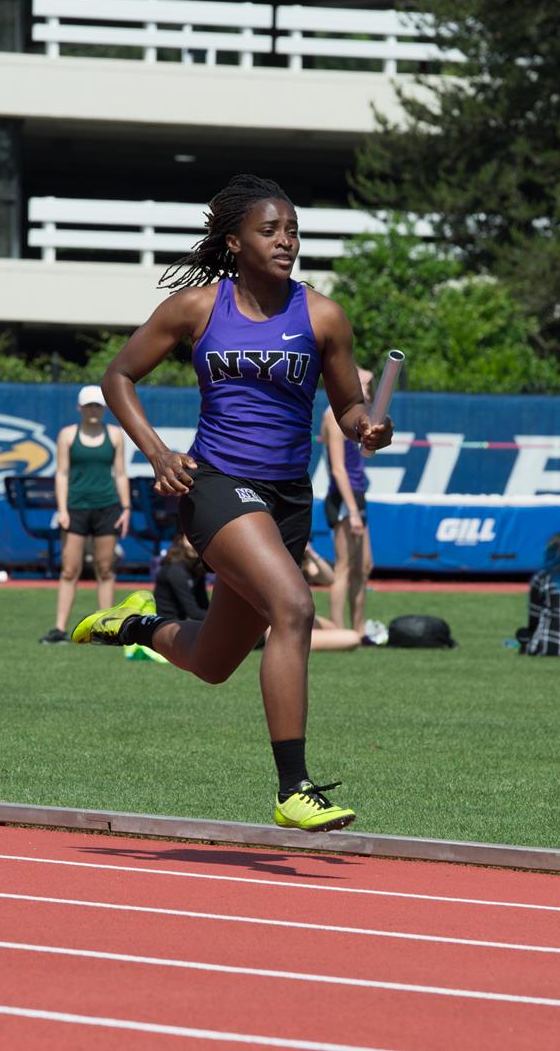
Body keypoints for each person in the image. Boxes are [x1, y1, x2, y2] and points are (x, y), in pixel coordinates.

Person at [74, 174, 392, 832]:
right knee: (295, 606)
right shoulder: (197, 309)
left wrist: (365, 425)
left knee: (214, 663)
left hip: (287, 498)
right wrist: (157, 453)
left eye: (293, 230)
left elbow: (348, 404)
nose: (286, 241)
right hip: (216, 484)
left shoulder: (322, 315)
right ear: (234, 241)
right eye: (270, 230)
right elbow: (118, 375)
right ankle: (294, 786)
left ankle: (133, 624)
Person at [154, 534, 363, 652]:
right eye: (188, 539)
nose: (193, 544)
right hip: (264, 629)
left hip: (277, 621)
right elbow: (193, 611)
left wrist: (311, 552)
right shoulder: (175, 572)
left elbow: (329, 578)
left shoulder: (194, 570)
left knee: (332, 627)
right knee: (352, 638)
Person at [40, 385, 132, 643]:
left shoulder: (114, 435)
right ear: (79, 408)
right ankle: (59, 629)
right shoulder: (67, 435)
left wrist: (125, 508)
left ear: (104, 409)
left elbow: (121, 473)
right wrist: (62, 509)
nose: (93, 410)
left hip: (107, 508)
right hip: (76, 508)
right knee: (70, 570)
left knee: (105, 568)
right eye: (89, 405)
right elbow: (62, 473)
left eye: (98, 406)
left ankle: (105, 628)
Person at [322, 366, 375, 636]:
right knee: (343, 568)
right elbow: (338, 469)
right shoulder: (333, 416)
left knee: (364, 566)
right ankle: (338, 631)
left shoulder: (360, 417)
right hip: (344, 496)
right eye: (363, 385)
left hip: (357, 493)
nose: (367, 391)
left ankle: (359, 629)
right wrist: (353, 511)